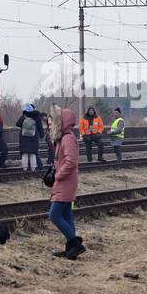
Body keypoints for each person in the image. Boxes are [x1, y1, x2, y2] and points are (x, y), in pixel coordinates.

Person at [49, 108, 84, 259]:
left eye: (51, 123)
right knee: (67, 216)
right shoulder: (62, 138)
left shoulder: (67, 139)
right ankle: (71, 250)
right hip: (66, 181)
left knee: (54, 215)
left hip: (66, 182)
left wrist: (58, 175)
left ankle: (76, 244)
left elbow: (71, 162)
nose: (49, 126)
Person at [16, 102, 44, 172]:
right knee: (33, 154)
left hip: (24, 138)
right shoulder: (37, 117)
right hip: (33, 138)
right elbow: (40, 128)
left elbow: (18, 124)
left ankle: (24, 169)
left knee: (24, 154)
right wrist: (42, 135)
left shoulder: (24, 116)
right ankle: (33, 169)